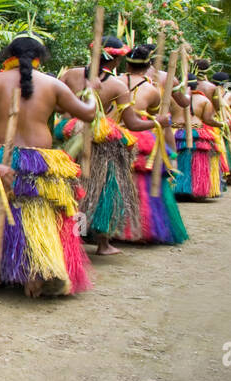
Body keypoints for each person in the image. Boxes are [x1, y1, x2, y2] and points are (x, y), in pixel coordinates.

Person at [0, 35, 96, 297]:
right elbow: (87, 114)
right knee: (36, 212)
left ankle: (1, 268)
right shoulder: (53, 84)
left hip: (1, 155)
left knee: (1, 208)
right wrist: (92, 94)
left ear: (9, 55)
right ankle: (34, 270)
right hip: (39, 157)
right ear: (39, 57)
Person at [57, 37, 158, 256]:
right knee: (103, 189)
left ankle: (76, 235)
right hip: (100, 143)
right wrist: (158, 122)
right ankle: (103, 244)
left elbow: (56, 107)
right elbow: (132, 123)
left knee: (71, 187)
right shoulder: (117, 85)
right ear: (118, 59)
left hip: (66, 136)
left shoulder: (70, 75)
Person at [116, 44, 185, 244]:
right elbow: (160, 121)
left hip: (114, 135)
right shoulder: (151, 90)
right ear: (147, 66)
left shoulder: (113, 82)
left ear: (126, 64)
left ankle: (110, 229)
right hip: (140, 138)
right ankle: (140, 230)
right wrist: (171, 153)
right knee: (141, 185)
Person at [172, 65, 224, 200]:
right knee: (197, 162)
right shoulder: (204, 100)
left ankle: (176, 188)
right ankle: (195, 190)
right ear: (196, 85)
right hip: (198, 132)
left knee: (177, 160)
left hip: (175, 132)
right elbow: (208, 120)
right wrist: (221, 124)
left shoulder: (173, 99)